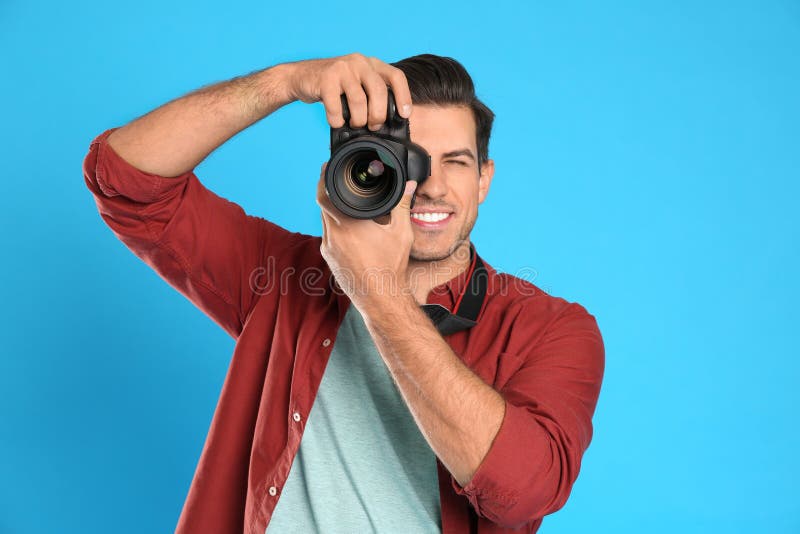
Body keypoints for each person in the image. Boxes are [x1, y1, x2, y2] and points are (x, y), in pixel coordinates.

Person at [82, 52, 605, 534]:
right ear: (364, 164)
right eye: (411, 160)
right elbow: (125, 179)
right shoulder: (285, 277)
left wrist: (376, 292)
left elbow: (523, 492)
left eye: (457, 162)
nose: (432, 186)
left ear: (484, 179)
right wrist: (283, 82)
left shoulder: (551, 327)